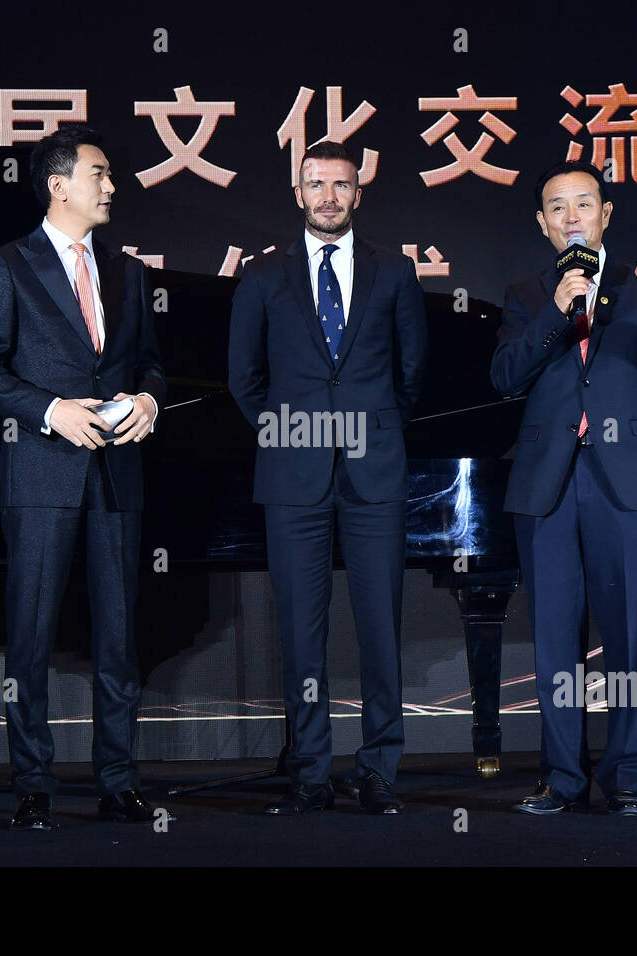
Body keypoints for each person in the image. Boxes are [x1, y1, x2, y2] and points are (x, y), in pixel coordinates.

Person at [0, 126, 167, 829]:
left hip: (117, 476)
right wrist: (49, 409)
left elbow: (151, 363)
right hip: (41, 474)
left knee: (118, 637)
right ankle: (32, 784)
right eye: (100, 174)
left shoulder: (129, 272)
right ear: (59, 185)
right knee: (31, 635)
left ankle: (119, 782)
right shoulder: (8, 265)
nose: (112, 186)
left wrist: (146, 399)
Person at [491, 160, 637, 816]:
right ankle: (560, 779)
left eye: (584, 203)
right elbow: (505, 377)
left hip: (623, 482)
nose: (572, 215)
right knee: (555, 641)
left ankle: (632, 778)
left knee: (629, 639)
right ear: (543, 222)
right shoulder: (527, 293)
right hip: (548, 486)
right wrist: (556, 312)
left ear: (606, 213)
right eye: (558, 207)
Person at [228, 141, 427, 815]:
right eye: (317, 184)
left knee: (380, 630)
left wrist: (370, 431)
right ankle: (310, 772)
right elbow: (243, 379)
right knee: (302, 633)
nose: (329, 196)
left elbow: (412, 376)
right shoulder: (262, 277)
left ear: (358, 192)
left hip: (376, 474)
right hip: (293, 477)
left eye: (341, 185)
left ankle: (379, 770)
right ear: (298, 191)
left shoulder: (394, 272)